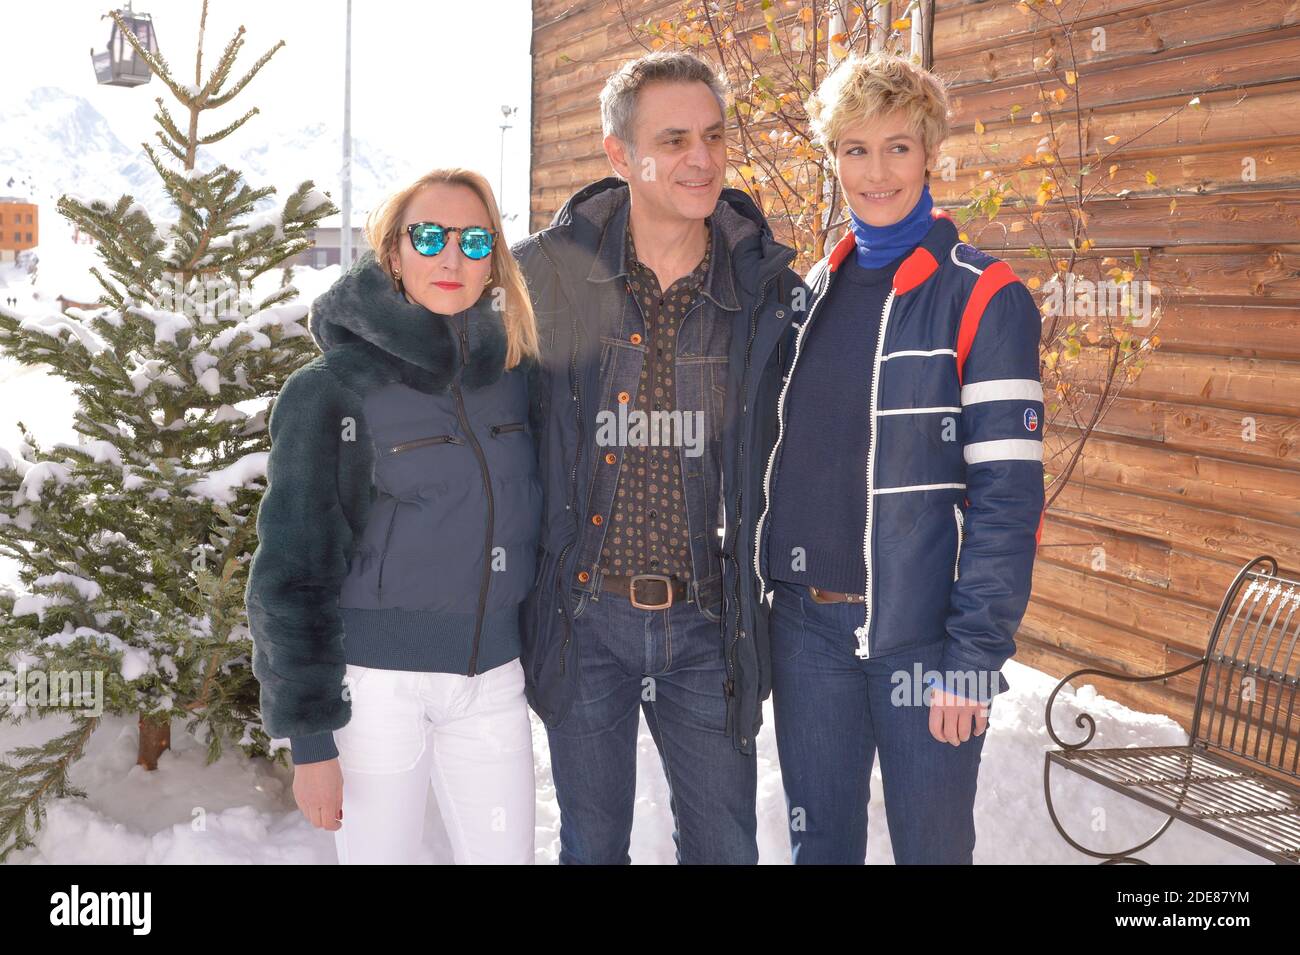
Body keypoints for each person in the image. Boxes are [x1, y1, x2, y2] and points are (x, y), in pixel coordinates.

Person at [512, 50, 804, 864]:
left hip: (710, 622)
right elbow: (453, 376)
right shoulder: (547, 278)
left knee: (724, 849)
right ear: (619, 154)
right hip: (586, 617)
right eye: (673, 140)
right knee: (592, 847)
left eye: (712, 136)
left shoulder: (763, 295)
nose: (701, 159)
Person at [757, 52, 1045, 864]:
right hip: (807, 628)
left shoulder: (983, 294)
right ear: (832, 157)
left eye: (897, 147)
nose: (875, 170)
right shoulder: (816, 291)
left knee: (933, 850)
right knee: (822, 849)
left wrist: (974, 656)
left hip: (924, 640)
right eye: (855, 148)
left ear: (928, 153)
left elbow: (1008, 496)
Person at [245, 168, 542, 864]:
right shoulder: (332, 390)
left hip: (493, 680)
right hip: (375, 693)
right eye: (430, 236)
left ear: (494, 258)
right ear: (393, 253)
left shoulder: (515, 377)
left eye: (474, 241)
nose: (450, 257)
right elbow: (290, 574)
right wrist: (312, 741)